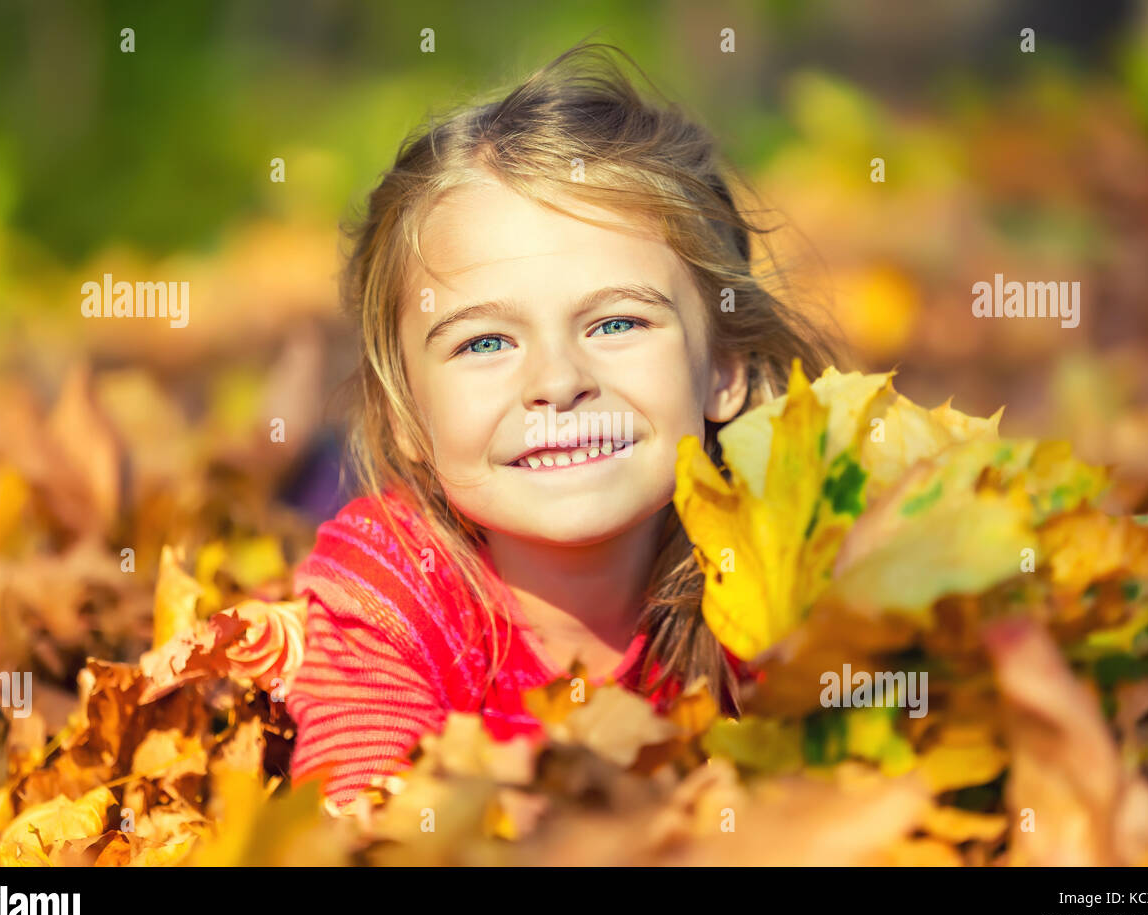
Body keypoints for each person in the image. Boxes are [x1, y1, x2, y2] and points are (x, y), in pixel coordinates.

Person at [287, 41, 838, 812]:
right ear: (407, 414)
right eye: (485, 343)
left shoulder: (780, 578)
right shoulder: (393, 591)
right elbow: (360, 824)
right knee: (307, 498)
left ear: (724, 368)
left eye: (616, 323)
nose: (558, 382)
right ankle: (301, 469)